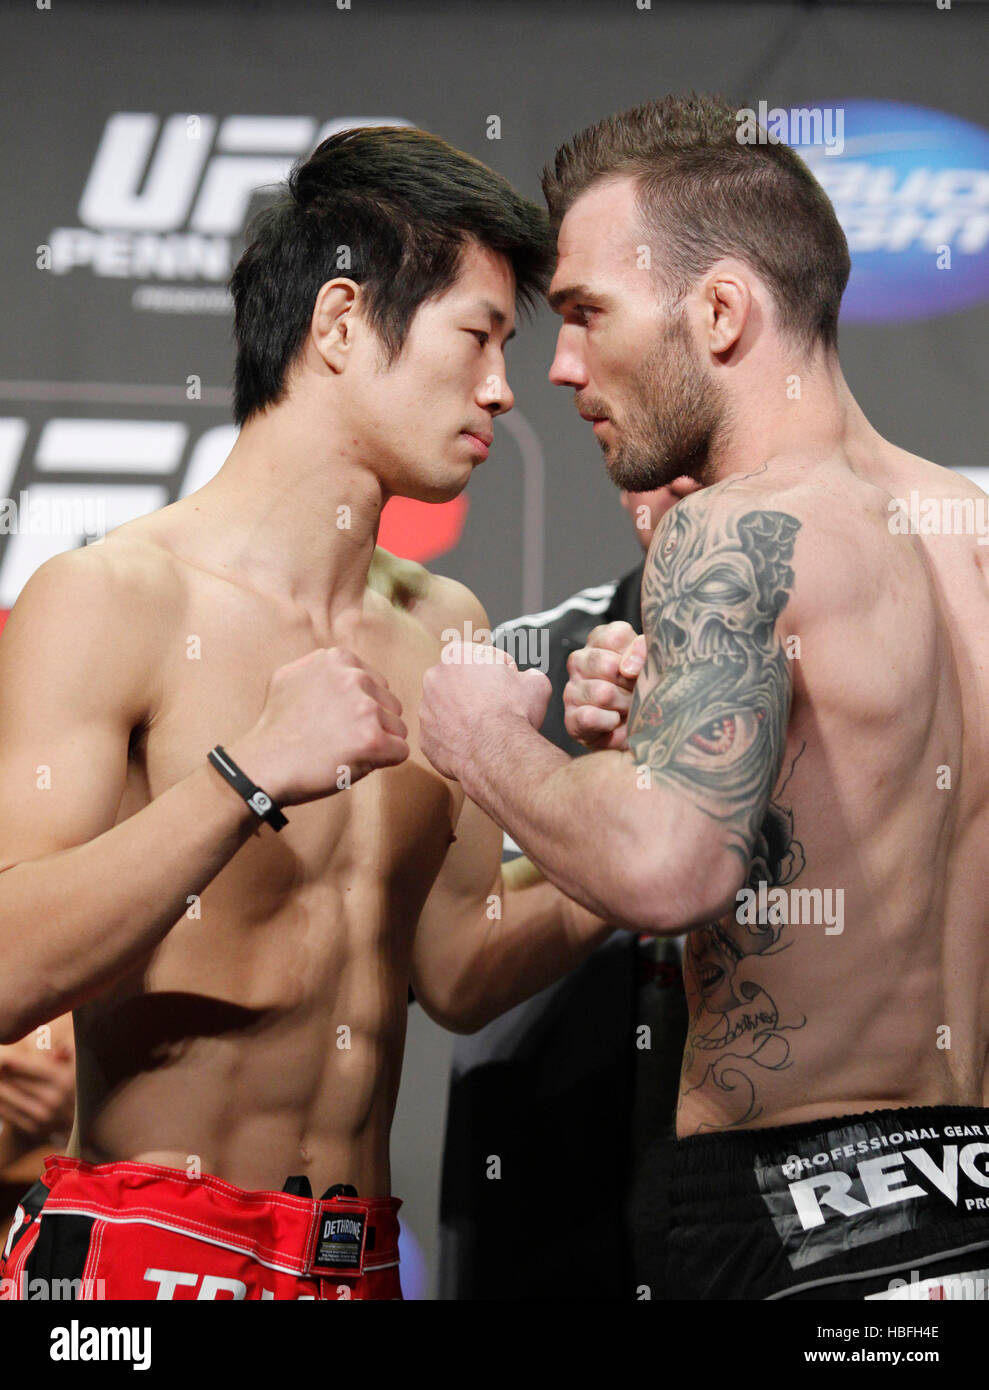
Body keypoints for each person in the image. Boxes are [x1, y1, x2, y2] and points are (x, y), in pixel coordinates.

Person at [0, 126, 615, 1301]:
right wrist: (243, 779)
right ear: (339, 323)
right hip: (150, 1251)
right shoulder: (113, 597)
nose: (501, 387)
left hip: (358, 1262)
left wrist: (629, 806)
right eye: (476, 337)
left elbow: (459, 964)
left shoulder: (443, 623)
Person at [419, 94, 989, 1300]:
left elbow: (669, 873)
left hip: (788, 1210)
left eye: (584, 314)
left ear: (720, 311)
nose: (560, 366)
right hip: (964, 1199)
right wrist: (658, 757)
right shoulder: (969, 533)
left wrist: (483, 743)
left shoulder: (730, 530)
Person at [438, 478, 696, 1301]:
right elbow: (451, 973)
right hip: (534, 1220)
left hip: (781, 1222)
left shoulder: (867, 668)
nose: (682, 482)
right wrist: (631, 832)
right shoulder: (513, 673)